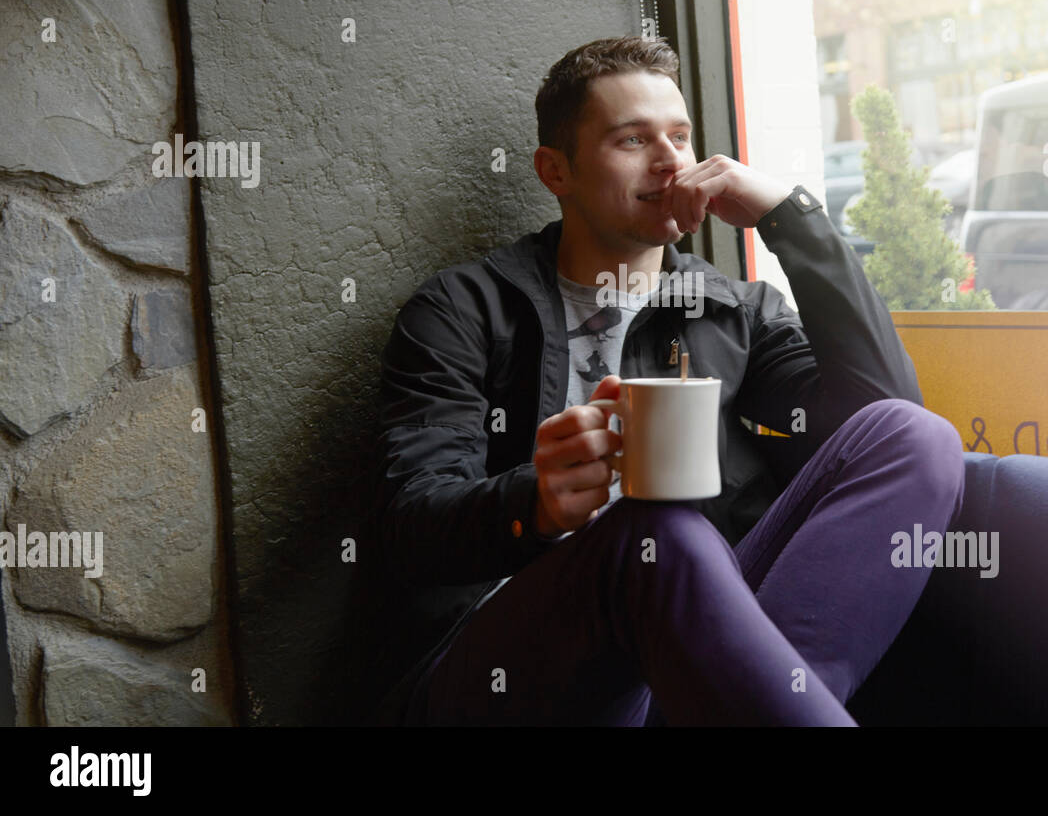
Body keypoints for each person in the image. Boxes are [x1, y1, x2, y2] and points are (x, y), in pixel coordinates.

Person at [374, 35, 965, 725]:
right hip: (508, 672)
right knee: (654, 533)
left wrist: (791, 221)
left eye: (680, 137)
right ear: (554, 171)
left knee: (915, 436)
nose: (670, 160)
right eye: (632, 140)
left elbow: (878, 409)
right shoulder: (463, 310)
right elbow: (408, 526)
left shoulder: (736, 313)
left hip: (684, 669)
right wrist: (535, 504)